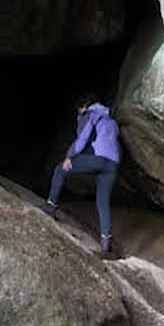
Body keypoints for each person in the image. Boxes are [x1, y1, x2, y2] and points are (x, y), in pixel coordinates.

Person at [41, 93, 122, 256]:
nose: (78, 113)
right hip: (113, 163)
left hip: (98, 158)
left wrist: (69, 157)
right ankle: (106, 243)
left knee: (60, 170)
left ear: (84, 106)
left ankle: (50, 206)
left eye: (78, 110)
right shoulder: (111, 121)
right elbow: (114, 144)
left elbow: (82, 139)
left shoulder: (90, 115)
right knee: (102, 202)